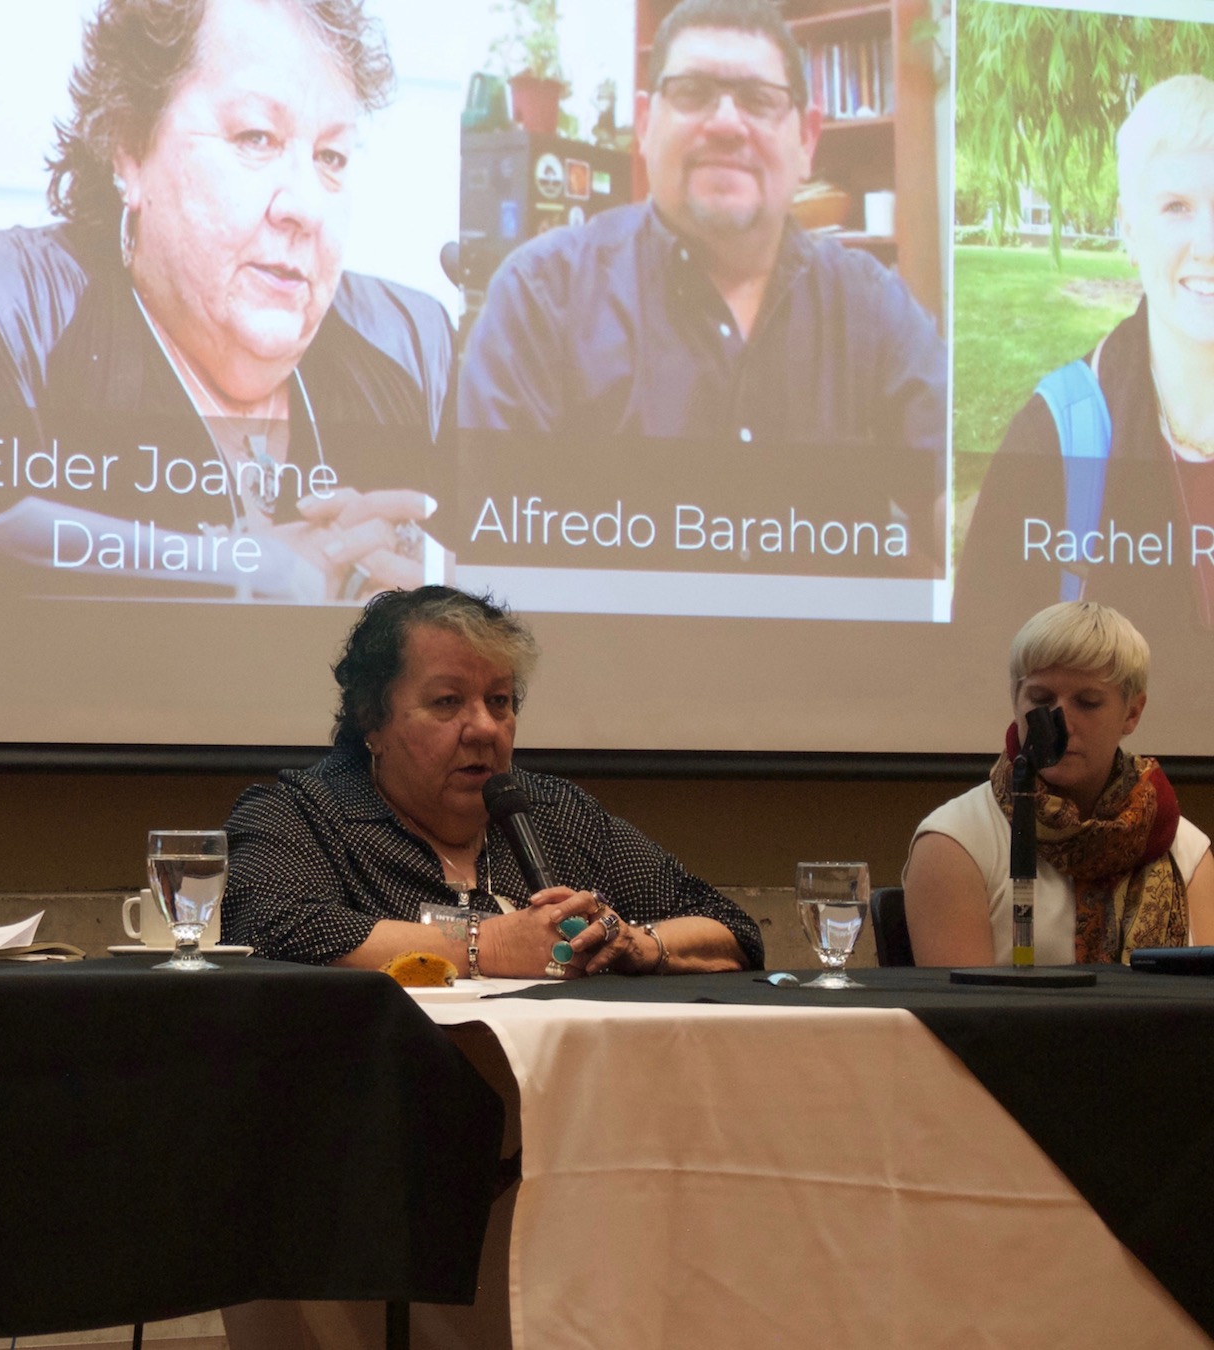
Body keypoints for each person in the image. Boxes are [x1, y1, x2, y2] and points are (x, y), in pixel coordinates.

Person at [0, 0, 453, 603]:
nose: (306, 206)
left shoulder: (418, 352)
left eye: (330, 157)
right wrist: (249, 574)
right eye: (256, 138)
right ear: (130, 147)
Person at [458, 0, 944, 457]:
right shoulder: (540, 298)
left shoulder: (874, 307)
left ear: (806, 140)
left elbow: (949, 489)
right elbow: (492, 512)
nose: (727, 124)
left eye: (759, 99)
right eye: (692, 92)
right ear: (645, 125)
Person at [220, 585, 762, 975]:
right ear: (372, 720)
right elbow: (271, 930)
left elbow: (731, 929)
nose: (483, 727)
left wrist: (636, 944)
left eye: (499, 701)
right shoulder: (302, 814)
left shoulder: (555, 812)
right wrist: (491, 944)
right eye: (447, 701)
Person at [957, 76, 1214, 638]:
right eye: (1177, 206)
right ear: (1129, 229)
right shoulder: (1053, 437)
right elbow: (979, 670)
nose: (1209, 243)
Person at [902, 601, 1213, 966]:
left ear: (1132, 713)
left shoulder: (1184, 849)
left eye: (1088, 702)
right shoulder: (955, 842)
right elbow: (960, 1002)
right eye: (1041, 699)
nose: (1060, 723)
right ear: (1016, 702)